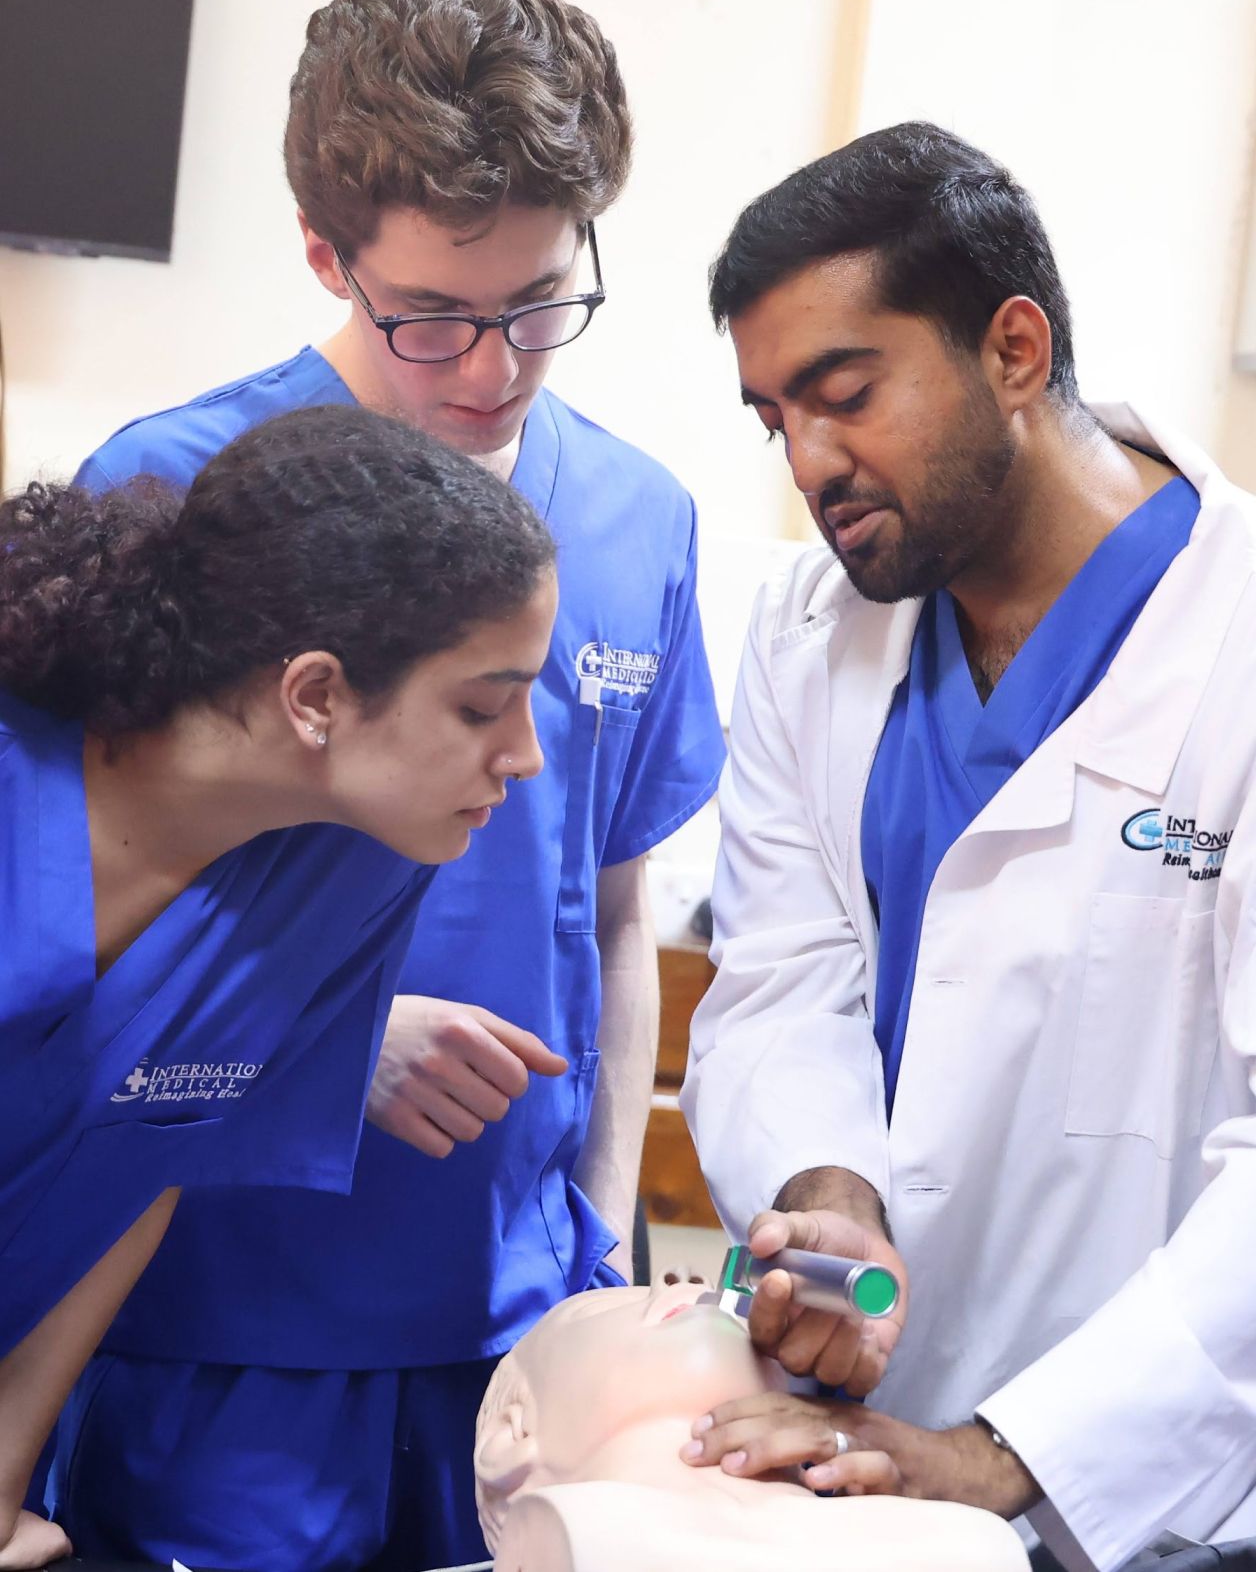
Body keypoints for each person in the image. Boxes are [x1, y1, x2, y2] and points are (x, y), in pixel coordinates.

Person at [51, 0, 725, 1572]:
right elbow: (59, 940)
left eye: (540, 305)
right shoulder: (174, 493)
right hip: (216, 1329)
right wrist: (327, 1048)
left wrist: (592, 1248)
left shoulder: (636, 520)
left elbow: (614, 914)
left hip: (517, 1333)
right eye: (432, 319)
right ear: (324, 255)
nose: (494, 371)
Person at [679, 121, 1256, 1571]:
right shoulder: (810, 634)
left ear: (1012, 349)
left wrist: (1003, 1458)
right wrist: (828, 1202)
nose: (810, 464)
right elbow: (783, 981)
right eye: (773, 421)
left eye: (844, 395)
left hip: (1171, 1504)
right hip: (866, 1460)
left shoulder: (1234, 646)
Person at [0, 403, 556, 1570]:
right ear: (314, 696)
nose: (525, 755)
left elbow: (139, 1164)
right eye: (479, 705)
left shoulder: (352, 865)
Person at [474, 1278, 1028, 1572]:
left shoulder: (961, 1538)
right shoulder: (566, 1534)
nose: (678, 1282)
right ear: (509, 1439)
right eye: (599, 1307)